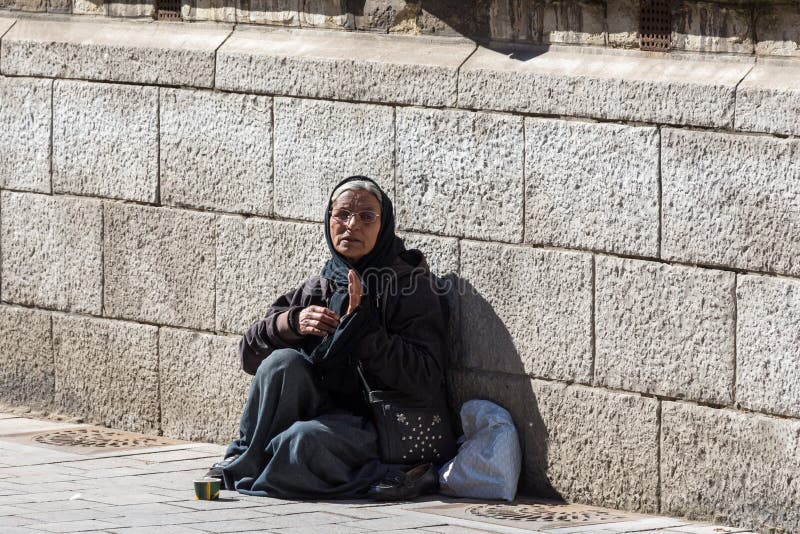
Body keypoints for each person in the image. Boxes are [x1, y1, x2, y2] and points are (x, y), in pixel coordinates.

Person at [206, 176, 451, 499]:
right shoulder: (322, 285)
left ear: (384, 225)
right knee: (281, 362)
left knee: (300, 444)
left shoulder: (408, 285)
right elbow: (249, 355)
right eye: (343, 215)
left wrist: (362, 331)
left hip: (380, 426)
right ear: (328, 220)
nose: (352, 225)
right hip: (325, 414)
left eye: (367, 217)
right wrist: (291, 322)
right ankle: (248, 456)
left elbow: (426, 377)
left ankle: (406, 474)